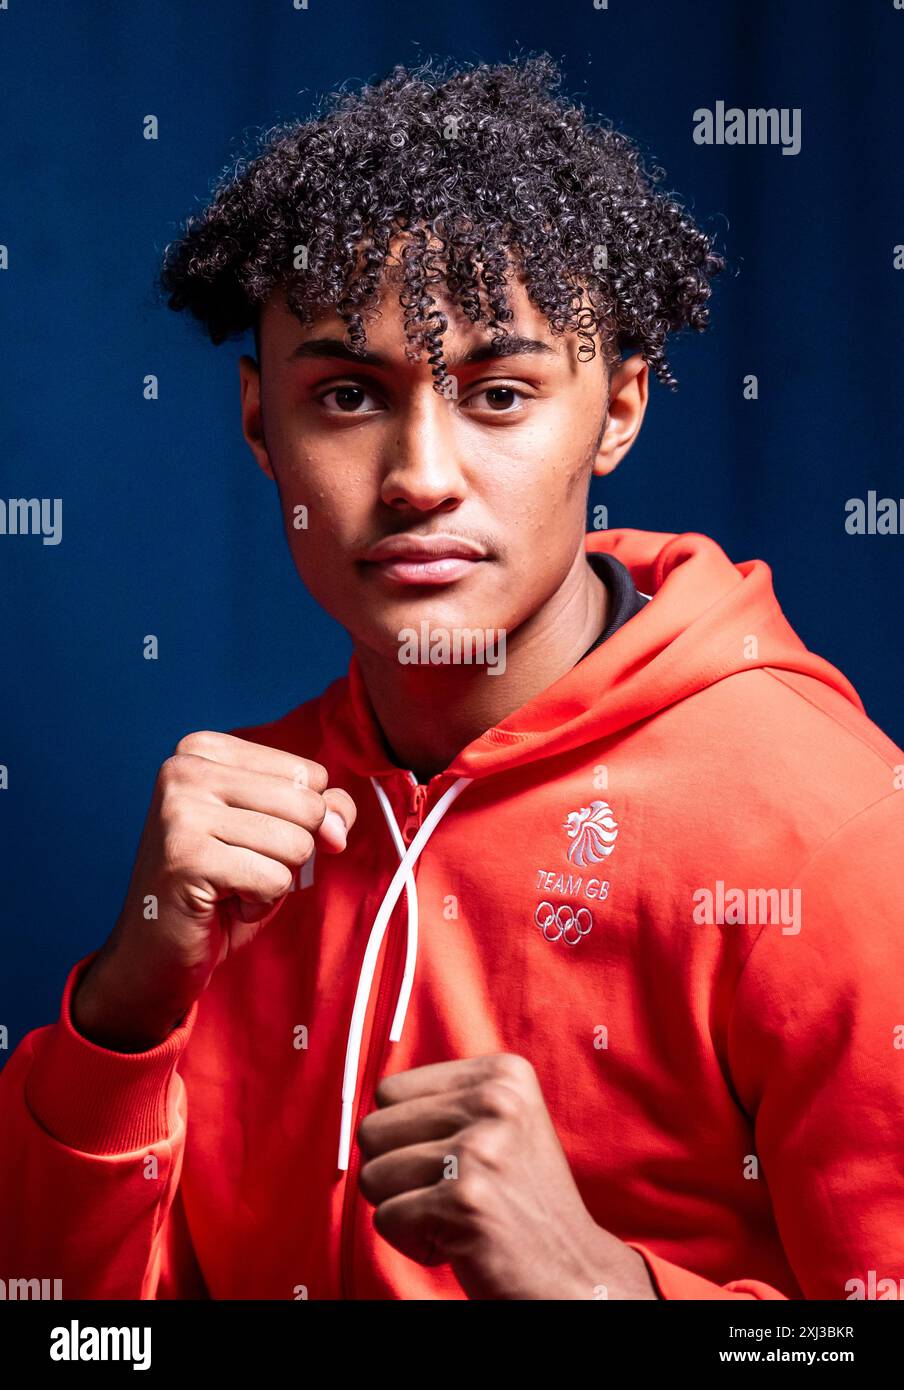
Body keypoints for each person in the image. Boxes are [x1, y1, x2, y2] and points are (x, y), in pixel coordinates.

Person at [2, 54, 902, 1302]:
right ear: (260, 422)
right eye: (349, 394)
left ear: (620, 409)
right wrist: (123, 1008)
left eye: (499, 392)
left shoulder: (832, 834)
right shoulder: (238, 840)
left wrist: (607, 1290)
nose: (420, 473)